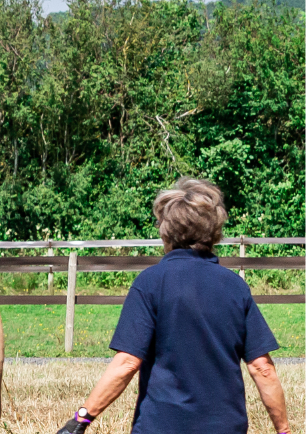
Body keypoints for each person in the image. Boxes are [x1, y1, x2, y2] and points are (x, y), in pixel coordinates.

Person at [53, 178, 289, 434]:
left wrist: (82, 419)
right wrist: (284, 430)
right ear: (214, 232)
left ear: (166, 231)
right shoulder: (236, 287)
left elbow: (127, 363)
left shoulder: (150, 283)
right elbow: (262, 368)